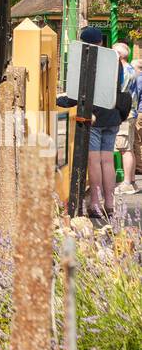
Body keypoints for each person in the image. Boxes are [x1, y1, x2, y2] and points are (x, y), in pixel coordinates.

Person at [58, 25, 122, 222]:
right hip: (112, 115)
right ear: (101, 41)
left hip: (93, 115)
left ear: (83, 42)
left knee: (94, 161)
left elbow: (80, 90)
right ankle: (110, 204)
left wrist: (61, 101)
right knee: (108, 161)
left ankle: (94, 202)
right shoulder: (114, 60)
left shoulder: (84, 59)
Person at [114, 41, 137, 195]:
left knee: (124, 148)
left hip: (124, 113)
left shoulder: (123, 71)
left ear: (119, 55)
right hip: (132, 112)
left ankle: (127, 183)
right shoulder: (132, 69)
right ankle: (132, 181)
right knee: (130, 147)